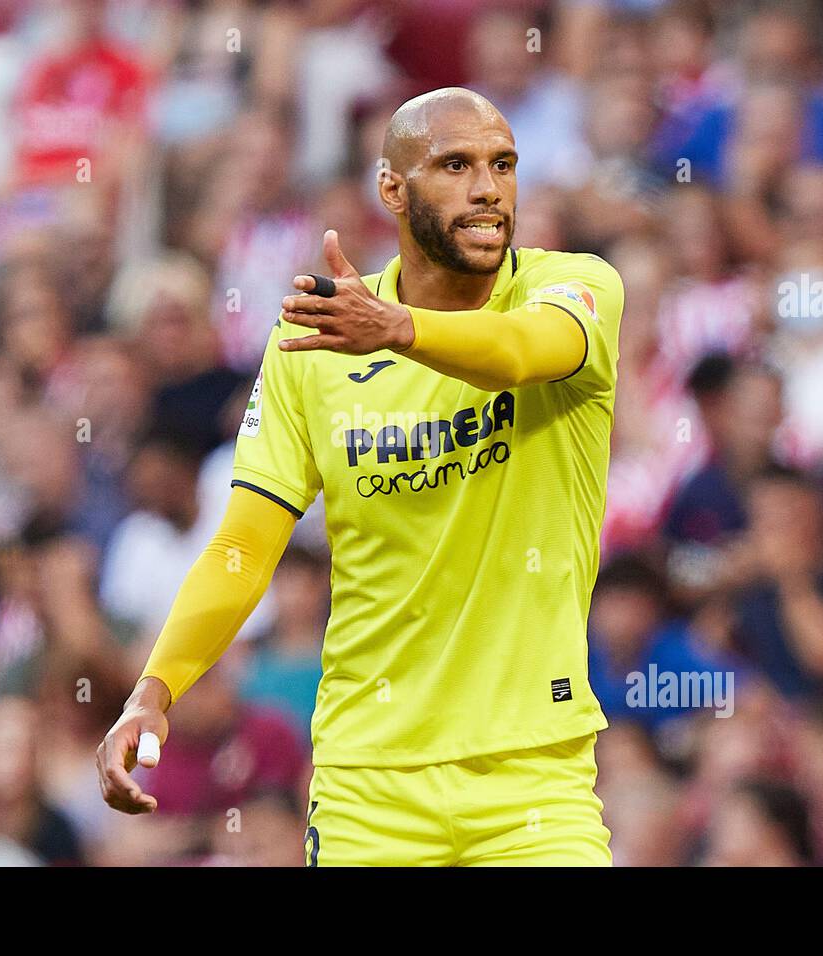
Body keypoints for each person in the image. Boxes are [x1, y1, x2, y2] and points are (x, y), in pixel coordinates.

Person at [98, 87, 624, 866]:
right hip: (366, 786)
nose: (487, 189)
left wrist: (398, 331)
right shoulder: (314, 343)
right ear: (392, 190)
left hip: (533, 781)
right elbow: (244, 547)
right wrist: (155, 689)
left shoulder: (571, 288)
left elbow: (522, 351)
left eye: (503, 165)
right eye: (454, 165)